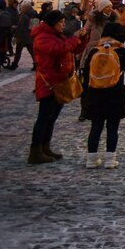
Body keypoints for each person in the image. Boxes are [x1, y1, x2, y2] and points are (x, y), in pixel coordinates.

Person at [29, 9, 86, 164]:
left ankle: (45, 147)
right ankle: (35, 150)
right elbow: (59, 49)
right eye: (60, 22)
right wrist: (74, 38)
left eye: (63, 22)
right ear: (52, 24)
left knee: (52, 118)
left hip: (60, 81)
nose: (63, 25)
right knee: (44, 118)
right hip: (49, 82)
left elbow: (71, 50)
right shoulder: (42, 37)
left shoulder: (56, 35)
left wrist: (82, 38)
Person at [82, 22, 125, 169]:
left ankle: (91, 159)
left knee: (96, 127)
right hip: (115, 93)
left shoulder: (94, 50)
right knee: (112, 127)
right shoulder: (121, 51)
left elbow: (86, 71)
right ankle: (110, 159)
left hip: (95, 93)